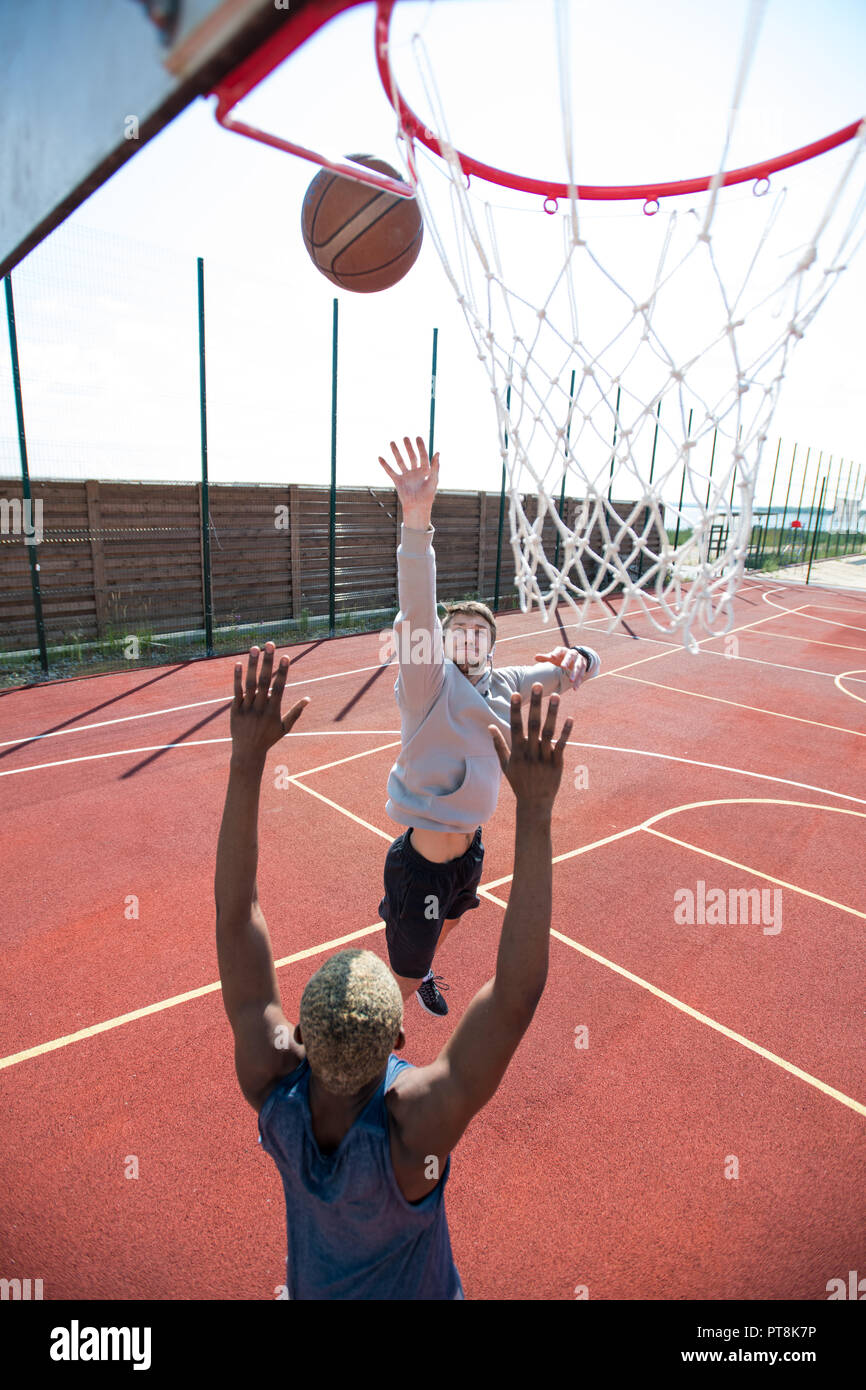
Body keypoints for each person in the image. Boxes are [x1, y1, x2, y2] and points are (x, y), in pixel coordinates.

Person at [215, 643, 573, 1300]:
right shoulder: (410, 1134)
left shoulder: (276, 1095)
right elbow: (516, 997)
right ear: (398, 1044)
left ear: (296, 1034)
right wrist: (537, 811)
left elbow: (238, 915)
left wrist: (245, 761)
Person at [376, 435, 601, 1015]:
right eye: (458, 630)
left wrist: (581, 659)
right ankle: (361, 1057)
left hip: (471, 851)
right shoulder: (429, 681)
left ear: (493, 647)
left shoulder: (505, 683)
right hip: (421, 865)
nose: (468, 635)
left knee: (453, 921)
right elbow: (419, 608)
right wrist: (416, 524)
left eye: (480, 630)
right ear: (444, 642)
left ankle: (422, 968)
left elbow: (571, 672)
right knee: (391, 997)